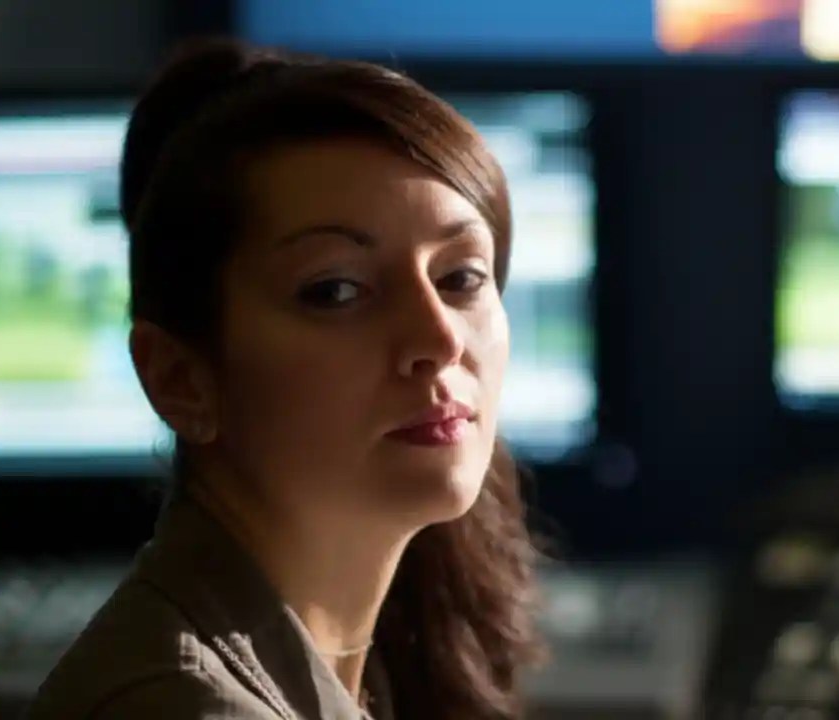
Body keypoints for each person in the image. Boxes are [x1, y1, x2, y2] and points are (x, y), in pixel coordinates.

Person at [26, 36, 544, 720]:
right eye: (336, 290)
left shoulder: (369, 662)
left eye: (461, 278)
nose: (441, 338)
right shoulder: (183, 706)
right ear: (178, 378)